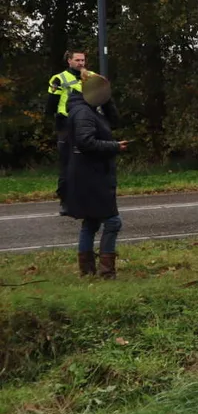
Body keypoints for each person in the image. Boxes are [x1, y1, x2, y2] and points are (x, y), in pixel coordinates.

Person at [65, 73, 128, 278]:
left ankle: (87, 271)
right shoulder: (84, 112)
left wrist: (107, 101)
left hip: (89, 173)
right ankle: (106, 271)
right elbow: (86, 142)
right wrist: (114, 146)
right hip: (91, 175)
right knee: (113, 221)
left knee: (91, 221)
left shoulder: (89, 109)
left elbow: (115, 121)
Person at [46, 49, 88, 214]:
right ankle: (65, 201)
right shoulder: (59, 78)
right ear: (69, 61)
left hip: (87, 124)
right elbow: (51, 103)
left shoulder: (91, 76)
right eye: (77, 60)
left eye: (83, 60)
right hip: (66, 124)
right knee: (67, 164)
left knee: (87, 163)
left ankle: (86, 199)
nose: (81, 63)